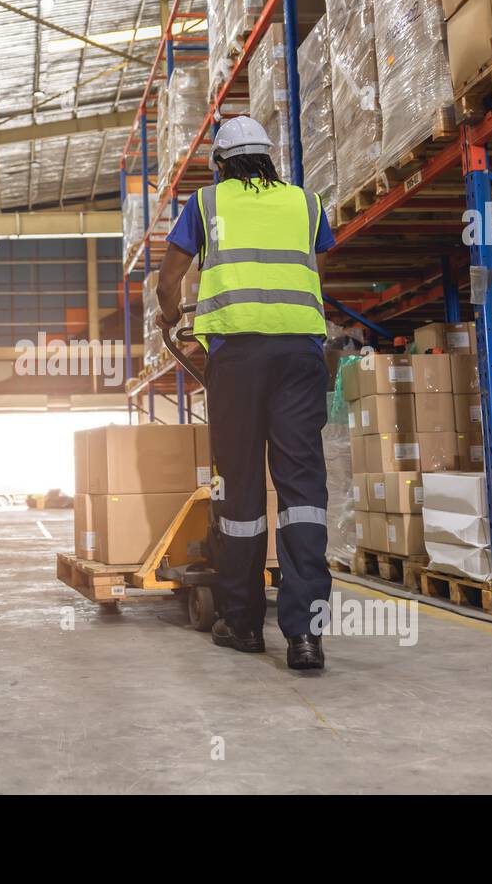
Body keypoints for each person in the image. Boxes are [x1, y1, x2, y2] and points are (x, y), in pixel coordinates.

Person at [154, 115, 334, 671]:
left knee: (240, 490)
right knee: (302, 488)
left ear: (221, 163)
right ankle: (306, 637)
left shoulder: (206, 204)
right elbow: (319, 262)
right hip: (301, 354)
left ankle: (244, 623)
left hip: (236, 359)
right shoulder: (307, 202)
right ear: (268, 156)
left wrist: (171, 316)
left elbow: (170, 279)